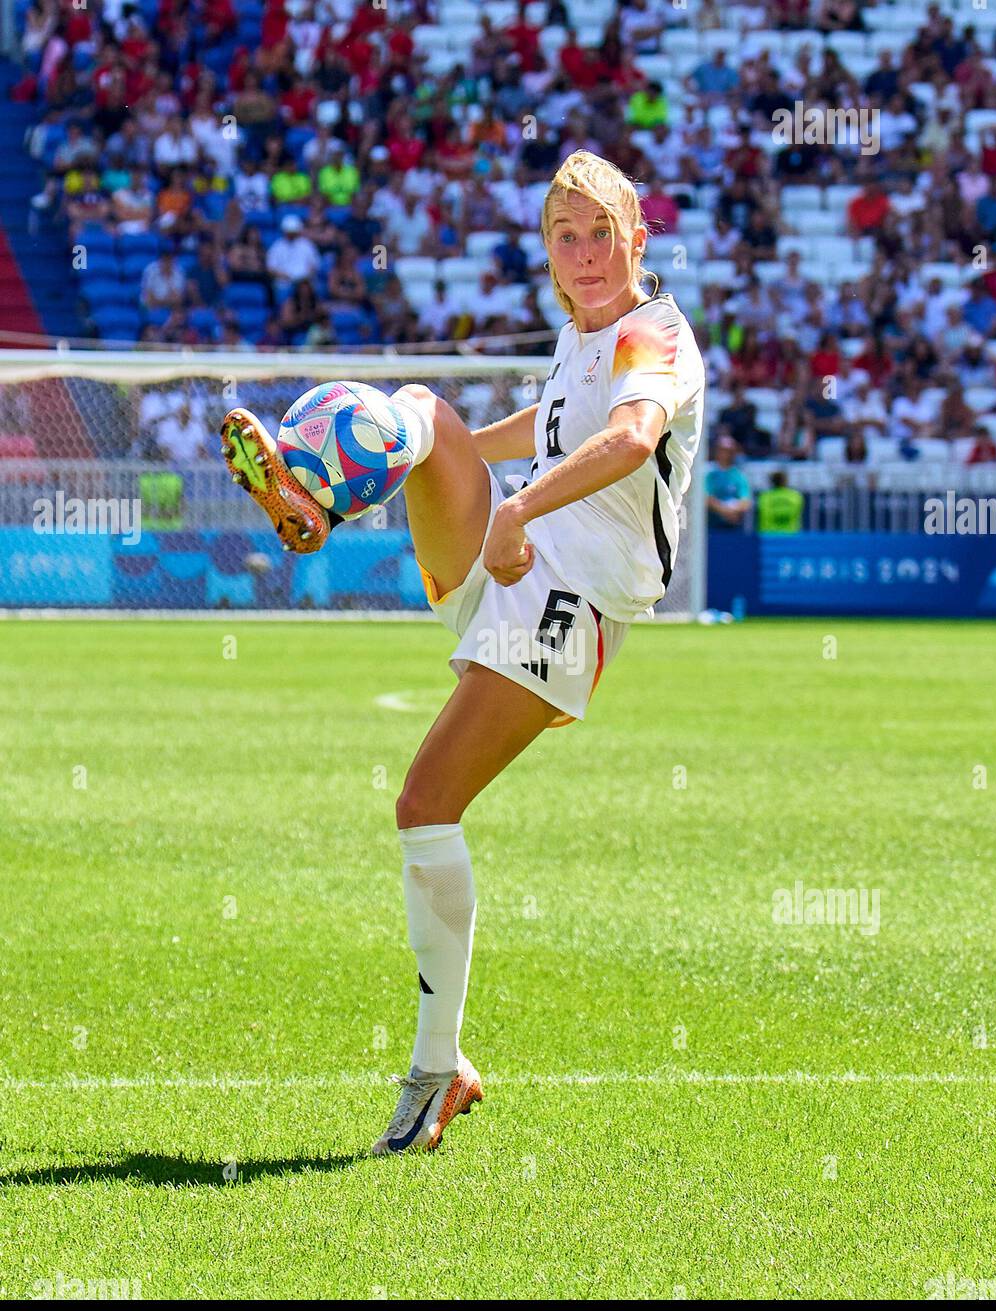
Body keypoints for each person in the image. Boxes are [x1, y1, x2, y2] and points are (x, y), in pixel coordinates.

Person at [218, 152, 705, 1154]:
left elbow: (627, 439)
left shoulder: (652, 333)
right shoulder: (579, 337)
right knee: (422, 411)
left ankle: (439, 1068)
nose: (585, 254)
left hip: (571, 601)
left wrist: (514, 508)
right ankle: (316, 492)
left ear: (637, 240)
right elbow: (553, 426)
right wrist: (443, 455)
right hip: (518, 561)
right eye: (566, 238)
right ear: (548, 254)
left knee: (424, 804)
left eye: (602, 234)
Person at [705, 434, 751, 529]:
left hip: (734, 525)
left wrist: (733, 510)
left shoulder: (739, 475)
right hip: (712, 526)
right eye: (723, 450)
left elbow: (745, 501)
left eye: (730, 451)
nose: (726, 454)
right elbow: (706, 497)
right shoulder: (708, 473)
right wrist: (724, 511)